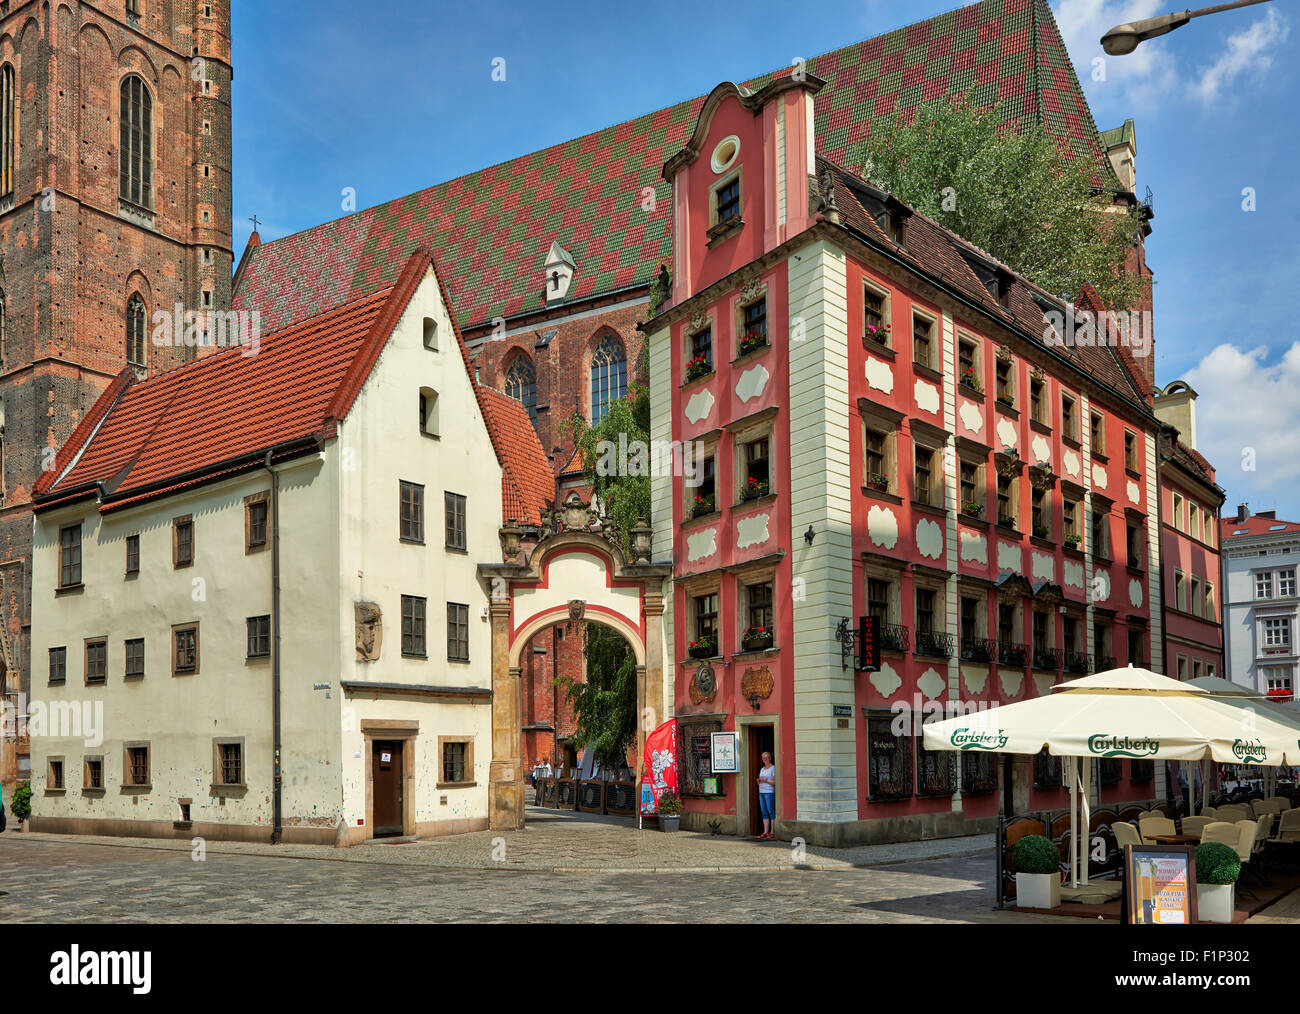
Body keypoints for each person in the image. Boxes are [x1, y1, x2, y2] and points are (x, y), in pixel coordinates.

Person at [756, 751, 776, 839]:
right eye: (763, 757)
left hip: (769, 792)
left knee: (771, 812)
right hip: (761, 792)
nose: (765, 759)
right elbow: (760, 781)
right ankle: (765, 832)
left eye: (766, 757)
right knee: (764, 812)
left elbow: (775, 782)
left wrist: (765, 780)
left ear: (770, 758)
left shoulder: (773, 768)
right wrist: (758, 781)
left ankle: (772, 832)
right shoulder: (762, 769)